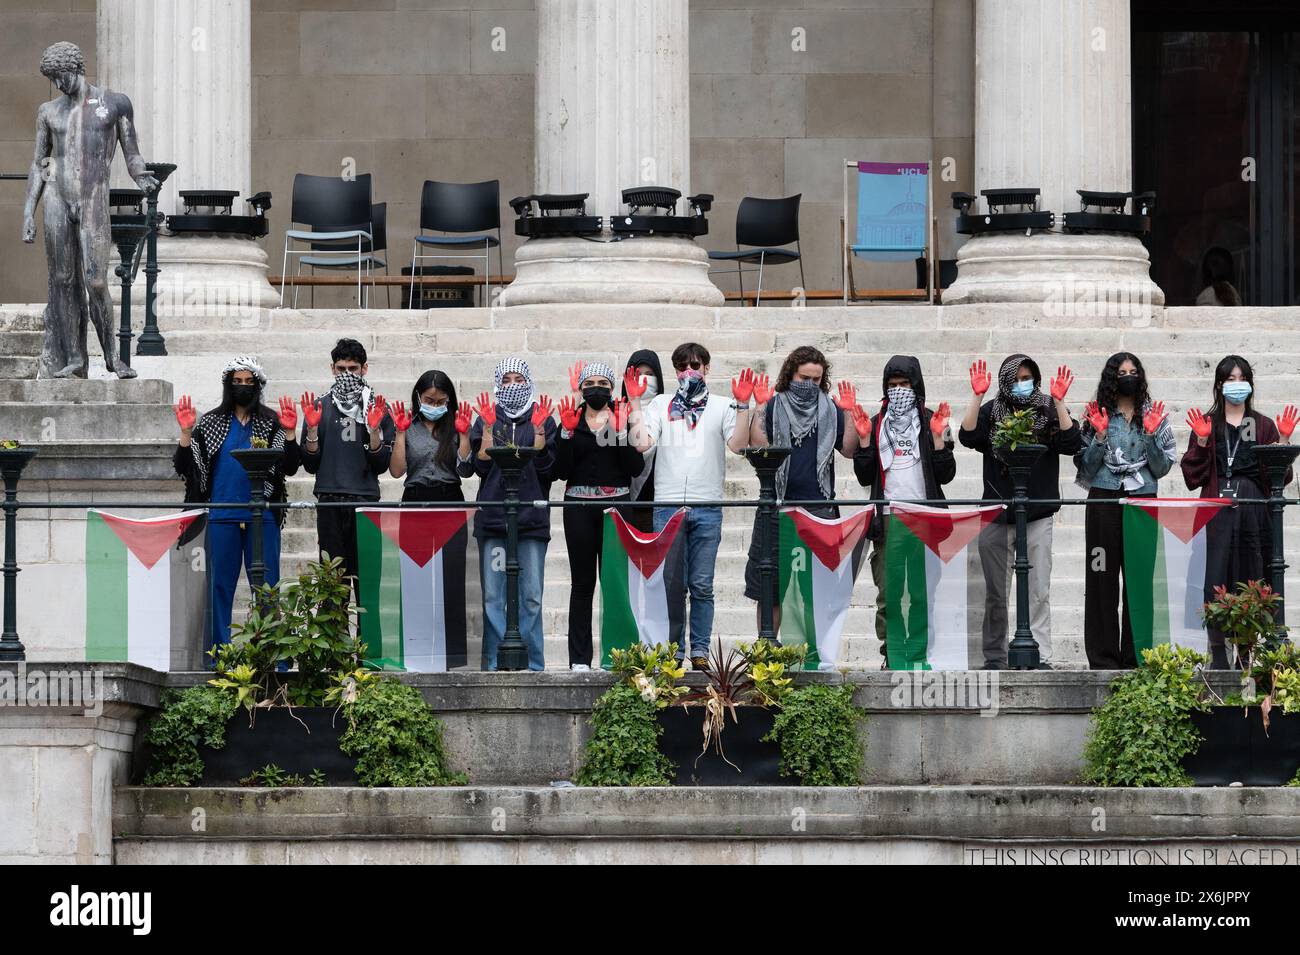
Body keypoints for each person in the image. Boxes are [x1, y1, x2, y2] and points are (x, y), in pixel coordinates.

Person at [630, 342, 749, 669]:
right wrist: (636, 401)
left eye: (695, 365)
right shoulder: (660, 404)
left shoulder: (723, 405)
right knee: (671, 584)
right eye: (682, 367)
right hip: (668, 506)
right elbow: (641, 443)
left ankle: (699, 651)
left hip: (707, 506)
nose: (689, 372)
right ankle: (673, 652)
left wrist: (743, 405)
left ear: (707, 368)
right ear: (675, 371)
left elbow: (738, 445)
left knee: (701, 584)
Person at [959, 354, 1081, 669]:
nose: (1021, 384)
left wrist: (1059, 402)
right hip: (998, 513)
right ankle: (995, 657)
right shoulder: (993, 410)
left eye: (1027, 377)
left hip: (1037, 514)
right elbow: (968, 436)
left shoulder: (1046, 409)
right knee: (996, 595)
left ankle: (1040, 655)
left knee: (1038, 590)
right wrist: (977, 396)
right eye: (1016, 378)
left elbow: (1071, 442)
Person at [173, 356, 300, 657]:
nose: (243, 387)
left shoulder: (270, 422)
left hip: (262, 516)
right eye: (237, 381)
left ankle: (272, 658)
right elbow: (185, 467)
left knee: (267, 590)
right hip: (222, 516)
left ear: (258, 385)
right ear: (228, 384)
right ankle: (220, 657)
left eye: (249, 381)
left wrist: (292, 433)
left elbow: (291, 467)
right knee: (219, 588)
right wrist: (186, 432)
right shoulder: (211, 422)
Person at [1182, 355, 1298, 668]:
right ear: (1219, 385)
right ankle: (1218, 654)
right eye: (1230, 379)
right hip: (1216, 511)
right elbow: (1192, 477)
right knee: (1215, 576)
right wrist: (1203, 441)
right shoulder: (1209, 423)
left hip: (1252, 512)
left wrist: (1283, 442)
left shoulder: (1262, 424)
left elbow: (1280, 477)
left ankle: (1246, 658)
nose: (1236, 384)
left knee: (1251, 575)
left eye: (1241, 378)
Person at [741, 345, 860, 632]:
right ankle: (766, 652)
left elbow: (849, 450)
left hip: (819, 510)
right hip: (777, 508)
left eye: (816, 380)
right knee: (769, 589)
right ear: (790, 374)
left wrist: (848, 414)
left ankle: (813, 656)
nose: (809, 385)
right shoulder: (772, 404)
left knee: (817, 591)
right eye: (803, 377)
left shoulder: (831, 409)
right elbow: (760, 447)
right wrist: (759, 406)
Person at [851, 355, 956, 667]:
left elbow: (947, 474)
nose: (898, 390)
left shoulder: (932, 420)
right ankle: (892, 654)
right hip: (888, 518)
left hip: (925, 517)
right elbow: (864, 476)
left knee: (923, 592)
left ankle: (920, 653)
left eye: (905, 384)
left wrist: (938, 439)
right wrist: (866, 441)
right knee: (889, 593)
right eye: (892, 385)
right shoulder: (873, 423)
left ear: (916, 385)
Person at [1075, 353, 1176, 669]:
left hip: (1142, 504)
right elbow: (1086, 467)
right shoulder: (1096, 415)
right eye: (1122, 372)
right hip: (1104, 502)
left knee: (1140, 579)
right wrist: (1100, 436)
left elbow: (1161, 469)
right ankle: (1103, 657)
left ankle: (1138, 656)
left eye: (1133, 371)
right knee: (1101, 575)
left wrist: (1149, 434)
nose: (1128, 376)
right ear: (1111, 377)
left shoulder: (1154, 415)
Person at [462, 357, 556, 671]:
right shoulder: (487, 417)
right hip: (493, 521)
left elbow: (547, 469)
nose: (513, 385)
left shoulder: (541, 417)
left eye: (518, 379)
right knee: (493, 597)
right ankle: (492, 663)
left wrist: (541, 434)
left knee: (531, 596)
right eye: (506, 379)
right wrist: (487, 428)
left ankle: (533, 664)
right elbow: (480, 466)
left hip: (530, 522)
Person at [555, 361, 644, 670]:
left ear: (611, 387)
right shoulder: (571, 419)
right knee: (582, 584)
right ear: (581, 387)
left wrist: (621, 433)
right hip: (577, 509)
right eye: (590, 382)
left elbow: (635, 468)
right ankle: (579, 659)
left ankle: (618, 654)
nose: (597, 388)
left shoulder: (622, 417)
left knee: (614, 582)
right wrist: (565, 434)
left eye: (603, 383)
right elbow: (561, 471)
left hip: (616, 508)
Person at [298, 338, 395, 604]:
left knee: (367, 586)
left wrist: (374, 431)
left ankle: (368, 647)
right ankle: (333, 646)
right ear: (332, 369)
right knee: (332, 587)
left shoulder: (377, 406)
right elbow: (309, 463)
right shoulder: (319, 406)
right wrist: (313, 431)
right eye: (341, 369)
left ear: (365, 368)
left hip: (364, 501)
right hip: (330, 500)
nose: (347, 374)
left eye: (353, 368)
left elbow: (382, 465)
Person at [620, 349, 666, 532]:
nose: (644, 380)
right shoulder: (617, 411)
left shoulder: (668, 411)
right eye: (638, 374)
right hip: (623, 506)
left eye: (650, 374)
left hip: (656, 506)